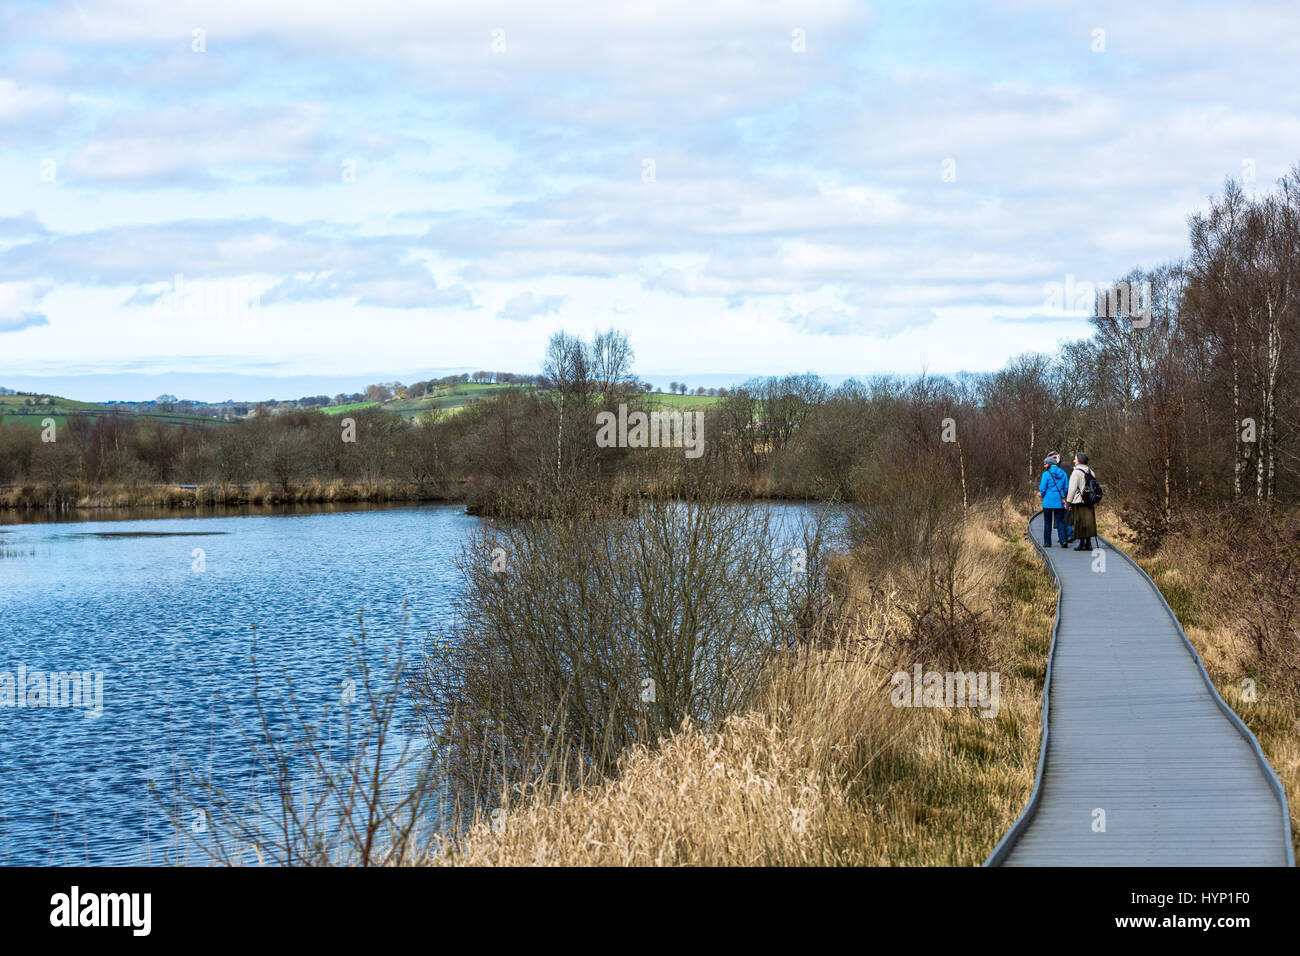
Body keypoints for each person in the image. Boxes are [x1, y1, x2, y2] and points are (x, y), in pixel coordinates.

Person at [1066, 451, 1098, 551]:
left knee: (1079, 523)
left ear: (1079, 460)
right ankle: (1088, 543)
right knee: (1089, 522)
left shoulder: (1076, 472)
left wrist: (1068, 501)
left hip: (1079, 501)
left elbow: (1072, 489)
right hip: (1089, 501)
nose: (1073, 460)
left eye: (1075, 458)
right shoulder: (1090, 471)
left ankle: (1082, 543)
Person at [1037, 455, 1070, 548]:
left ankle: (1047, 542)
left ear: (1049, 464)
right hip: (1059, 501)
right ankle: (1063, 540)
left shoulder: (1046, 474)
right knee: (1060, 521)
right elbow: (1066, 487)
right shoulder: (1063, 473)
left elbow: (1042, 488)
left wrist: (1042, 495)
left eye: (1045, 464)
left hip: (1047, 501)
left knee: (1047, 522)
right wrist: (1063, 495)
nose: (1044, 465)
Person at [1047, 451, 1074, 542]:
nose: (1054, 459)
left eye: (1055, 457)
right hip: (1057, 496)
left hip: (1066, 494)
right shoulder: (1051, 468)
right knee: (1059, 515)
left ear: (1058, 457)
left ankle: (1069, 534)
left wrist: (1067, 494)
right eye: (1052, 458)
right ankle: (1063, 536)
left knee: (1067, 514)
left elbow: (1070, 480)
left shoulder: (1065, 465)